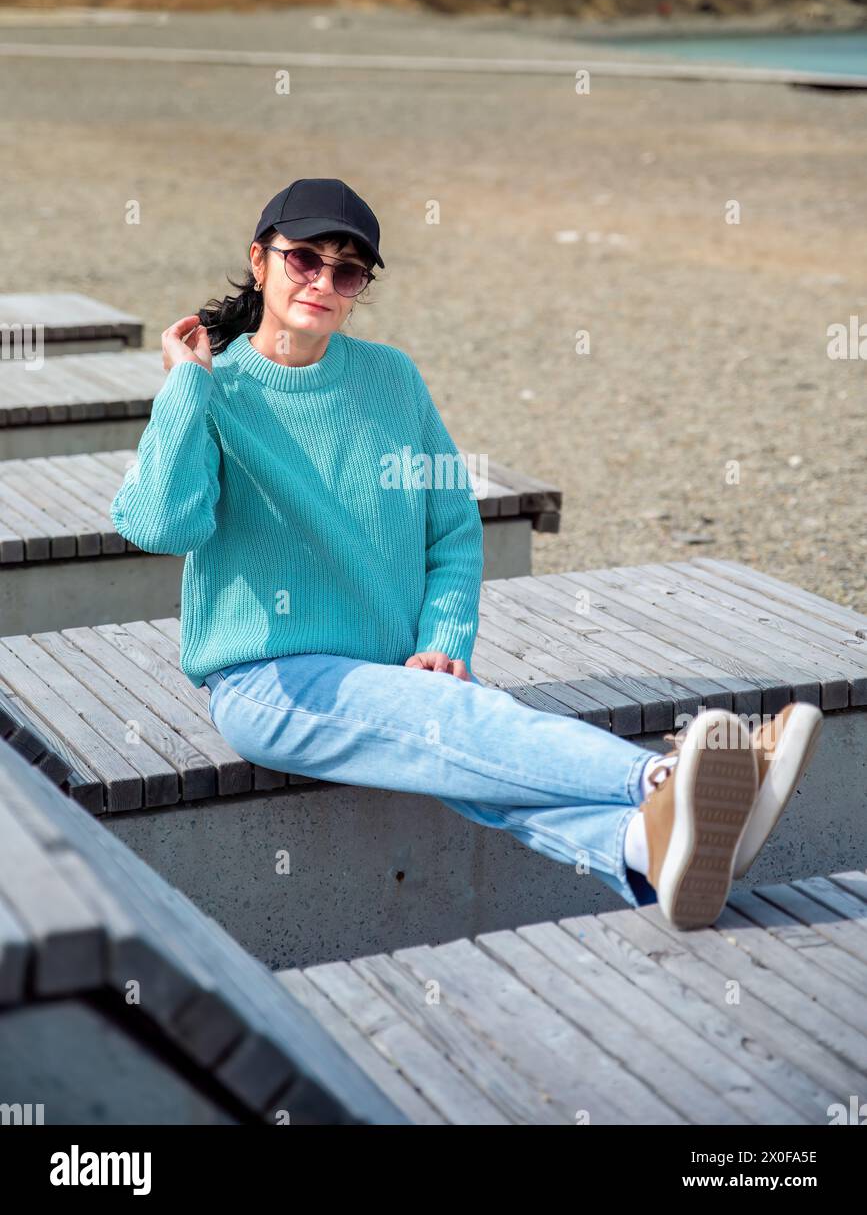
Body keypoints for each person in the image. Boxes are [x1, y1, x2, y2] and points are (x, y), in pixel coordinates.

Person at [110, 178, 823, 930]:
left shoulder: (392, 378)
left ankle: (643, 848)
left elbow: (451, 525)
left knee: (468, 753)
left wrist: (444, 640)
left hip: (397, 670)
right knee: (457, 724)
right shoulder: (212, 392)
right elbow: (160, 525)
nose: (322, 281)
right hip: (267, 681)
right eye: (304, 259)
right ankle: (664, 777)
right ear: (260, 261)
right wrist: (187, 387)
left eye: (346, 270)